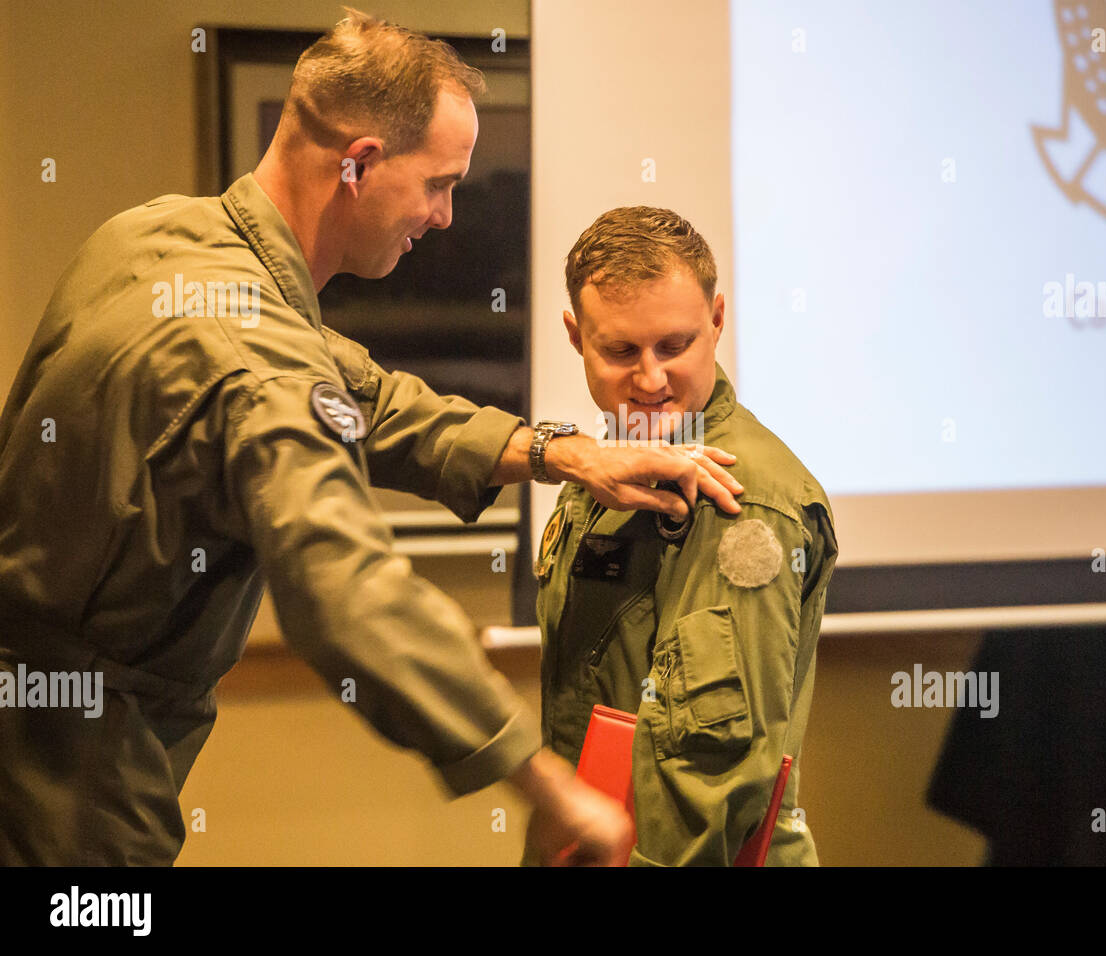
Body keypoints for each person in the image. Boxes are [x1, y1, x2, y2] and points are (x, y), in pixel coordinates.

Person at [0, 10, 742, 866]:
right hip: (73, 773)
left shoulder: (160, 238)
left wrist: (563, 453)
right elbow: (348, 592)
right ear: (357, 164)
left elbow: (370, 399)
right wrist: (544, 782)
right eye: (439, 184)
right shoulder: (255, 358)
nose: (447, 217)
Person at [526, 207, 838, 866]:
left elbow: (711, 777)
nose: (650, 380)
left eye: (675, 346)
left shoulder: (744, 499)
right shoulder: (601, 470)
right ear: (575, 336)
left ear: (718, 320)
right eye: (620, 351)